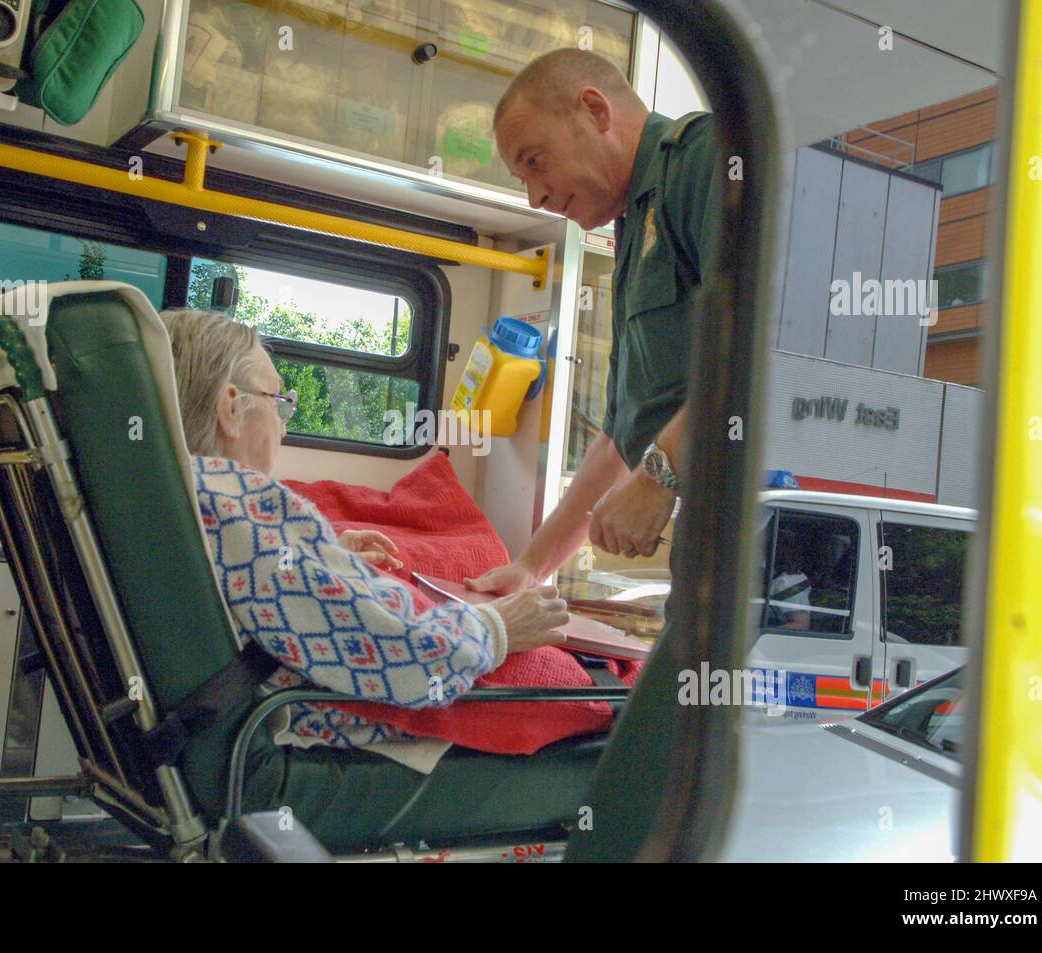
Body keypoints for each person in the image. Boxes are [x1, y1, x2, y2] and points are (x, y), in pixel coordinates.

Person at [158, 308, 570, 769]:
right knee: (591, 702)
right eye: (278, 401)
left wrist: (323, 553)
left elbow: (276, 584)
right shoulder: (238, 505)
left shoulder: (193, 492)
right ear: (230, 409)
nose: (284, 423)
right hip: (293, 718)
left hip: (239, 701)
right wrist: (497, 628)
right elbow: (406, 656)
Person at [468, 49, 723, 614]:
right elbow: (616, 437)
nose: (534, 196)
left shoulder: (705, 159)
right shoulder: (632, 227)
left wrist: (658, 476)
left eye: (535, 161)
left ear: (594, 110)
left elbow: (761, 346)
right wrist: (529, 569)